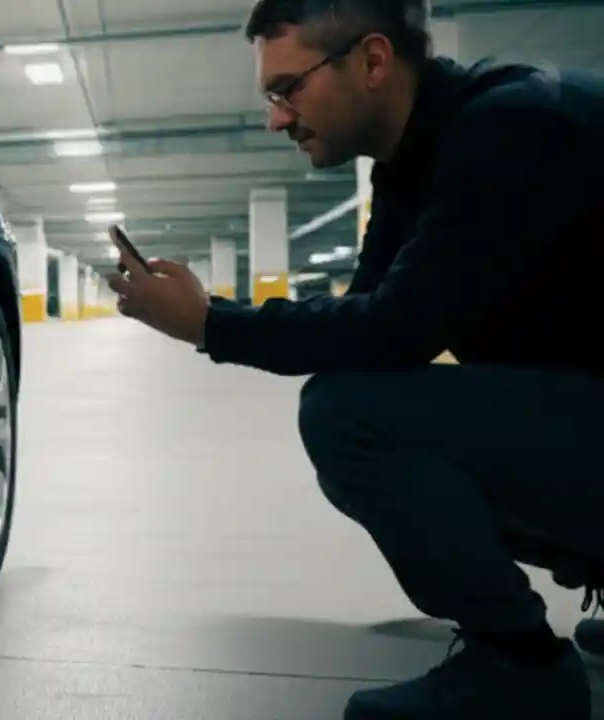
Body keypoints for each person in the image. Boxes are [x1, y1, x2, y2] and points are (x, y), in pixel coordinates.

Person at [106, 1, 604, 718]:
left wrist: (214, 325)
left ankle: (520, 667)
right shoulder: (411, 166)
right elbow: (366, 320)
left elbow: (392, 330)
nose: (278, 118)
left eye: (287, 89)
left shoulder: (510, 129)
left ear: (372, 61)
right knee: (367, 398)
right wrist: (219, 320)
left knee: (350, 418)